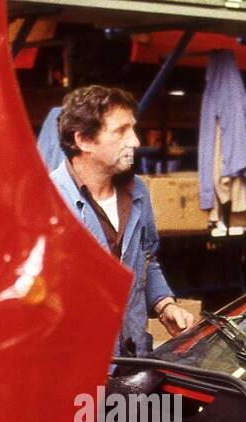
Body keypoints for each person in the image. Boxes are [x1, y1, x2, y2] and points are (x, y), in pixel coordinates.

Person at [48, 85, 196, 357]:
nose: (136, 142)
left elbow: (146, 261)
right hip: (73, 366)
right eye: (120, 131)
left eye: (133, 129)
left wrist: (165, 305)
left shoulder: (138, 192)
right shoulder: (47, 202)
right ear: (83, 141)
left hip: (133, 359)